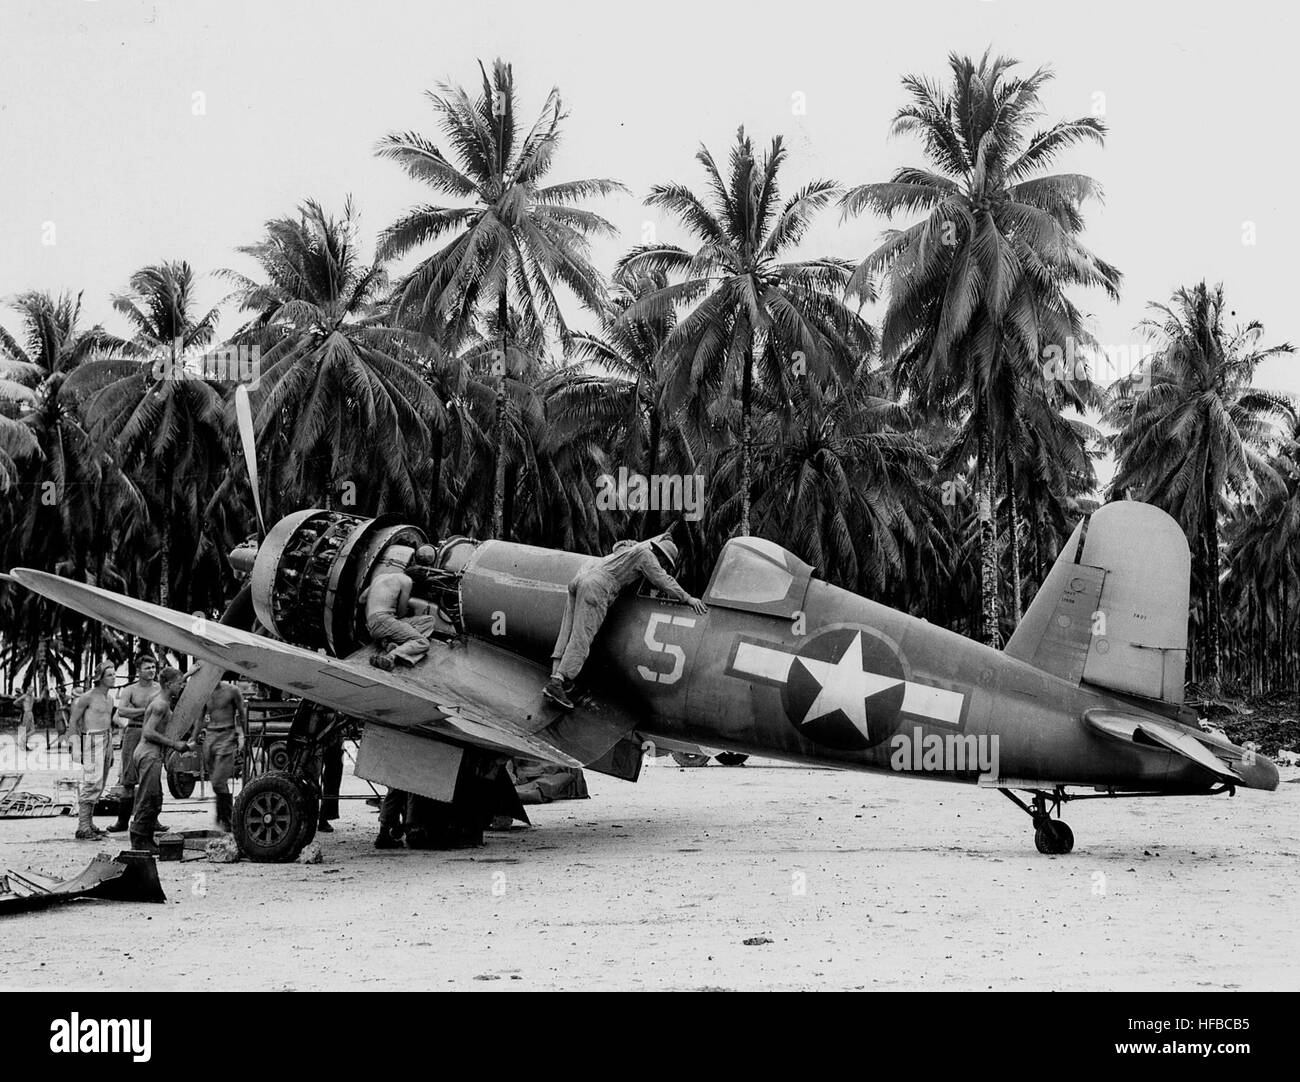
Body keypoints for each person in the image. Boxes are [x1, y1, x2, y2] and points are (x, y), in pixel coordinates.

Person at [544, 533, 707, 710]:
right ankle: (558, 682)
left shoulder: (632, 550)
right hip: (597, 588)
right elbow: (663, 580)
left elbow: (618, 546)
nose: (663, 565)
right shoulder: (647, 556)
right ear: (660, 555)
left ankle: (557, 678)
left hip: (582, 579)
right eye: (665, 562)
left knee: (567, 632)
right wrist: (688, 598)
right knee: (582, 637)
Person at [130, 667, 194, 853]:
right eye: (179, 684)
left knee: (154, 796)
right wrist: (174, 744)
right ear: (168, 685)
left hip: (145, 753)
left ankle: (145, 839)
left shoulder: (159, 697)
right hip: (149, 754)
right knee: (148, 797)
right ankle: (139, 840)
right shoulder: (161, 705)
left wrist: (189, 673)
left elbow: (171, 681)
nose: (182, 687)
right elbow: (148, 732)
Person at [363, 545, 440, 670]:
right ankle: (391, 656)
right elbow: (402, 612)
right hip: (383, 620)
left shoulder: (380, 577)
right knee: (423, 643)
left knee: (429, 620)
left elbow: (362, 599)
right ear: (414, 582)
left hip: (372, 623)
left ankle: (389, 642)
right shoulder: (407, 581)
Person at [107, 655, 160, 833]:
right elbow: (122, 711)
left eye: (153, 667)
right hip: (133, 732)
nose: (152, 670)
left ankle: (153, 820)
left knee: (152, 779)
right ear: (139, 671)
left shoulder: (159, 689)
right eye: (147, 668)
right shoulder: (130, 690)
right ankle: (122, 822)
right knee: (128, 780)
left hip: (152, 734)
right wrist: (145, 711)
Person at [66, 662, 118, 840]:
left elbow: (109, 722)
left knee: (101, 782)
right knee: (92, 782)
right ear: (101, 678)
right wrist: (74, 746)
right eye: (110, 675)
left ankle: (90, 822)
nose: (113, 677)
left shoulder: (110, 699)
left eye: (114, 674)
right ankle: (83, 827)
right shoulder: (87, 697)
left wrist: (110, 746)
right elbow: (73, 721)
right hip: (92, 739)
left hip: (107, 737)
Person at [196, 676, 246, 833]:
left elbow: (242, 714)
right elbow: (199, 718)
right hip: (210, 735)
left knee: (218, 780)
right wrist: (193, 737)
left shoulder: (232, 690)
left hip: (227, 734)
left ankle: (225, 816)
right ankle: (226, 818)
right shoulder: (204, 692)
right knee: (216, 781)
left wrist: (245, 736)